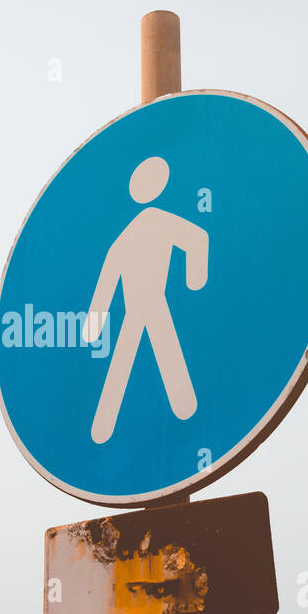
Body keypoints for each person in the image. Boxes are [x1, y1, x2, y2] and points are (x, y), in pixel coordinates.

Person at [82, 156, 208, 444]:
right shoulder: (140, 229)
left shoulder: (141, 229)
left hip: (150, 301)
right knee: (149, 354)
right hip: (140, 305)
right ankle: (184, 410)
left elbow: (197, 240)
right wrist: (194, 279)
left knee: (133, 357)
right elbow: (197, 240)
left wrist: (94, 325)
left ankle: (103, 430)